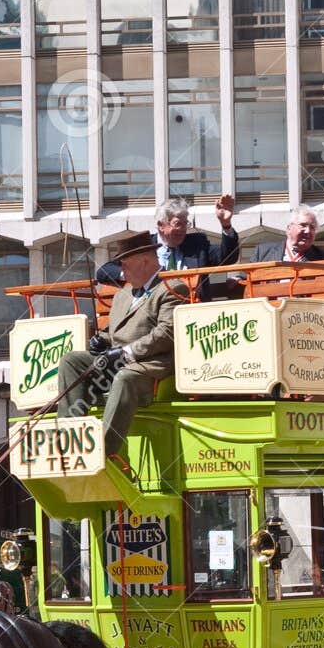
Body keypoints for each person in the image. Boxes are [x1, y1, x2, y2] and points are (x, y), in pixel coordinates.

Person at [58, 230, 186, 462]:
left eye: (124, 265)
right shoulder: (123, 294)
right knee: (71, 361)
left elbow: (167, 332)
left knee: (124, 377)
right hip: (116, 361)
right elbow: (115, 331)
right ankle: (69, 439)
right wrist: (102, 339)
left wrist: (127, 353)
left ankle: (103, 454)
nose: (122, 271)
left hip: (150, 366)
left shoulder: (171, 288)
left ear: (144, 261)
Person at [94, 194, 239, 298]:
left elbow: (228, 258)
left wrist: (226, 225)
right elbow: (103, 272)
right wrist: (131, 274)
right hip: (153, 311)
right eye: (177, 224)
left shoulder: (197, 244)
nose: (183, 229)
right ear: (160, 225)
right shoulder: (144, 246)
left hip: (192, 311)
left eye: (185, 224)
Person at [250, 208, 324, 263]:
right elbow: (245, 279)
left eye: (312, 227)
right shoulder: (263, 252)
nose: (308, 231)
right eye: (303, 225)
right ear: (289, 229)